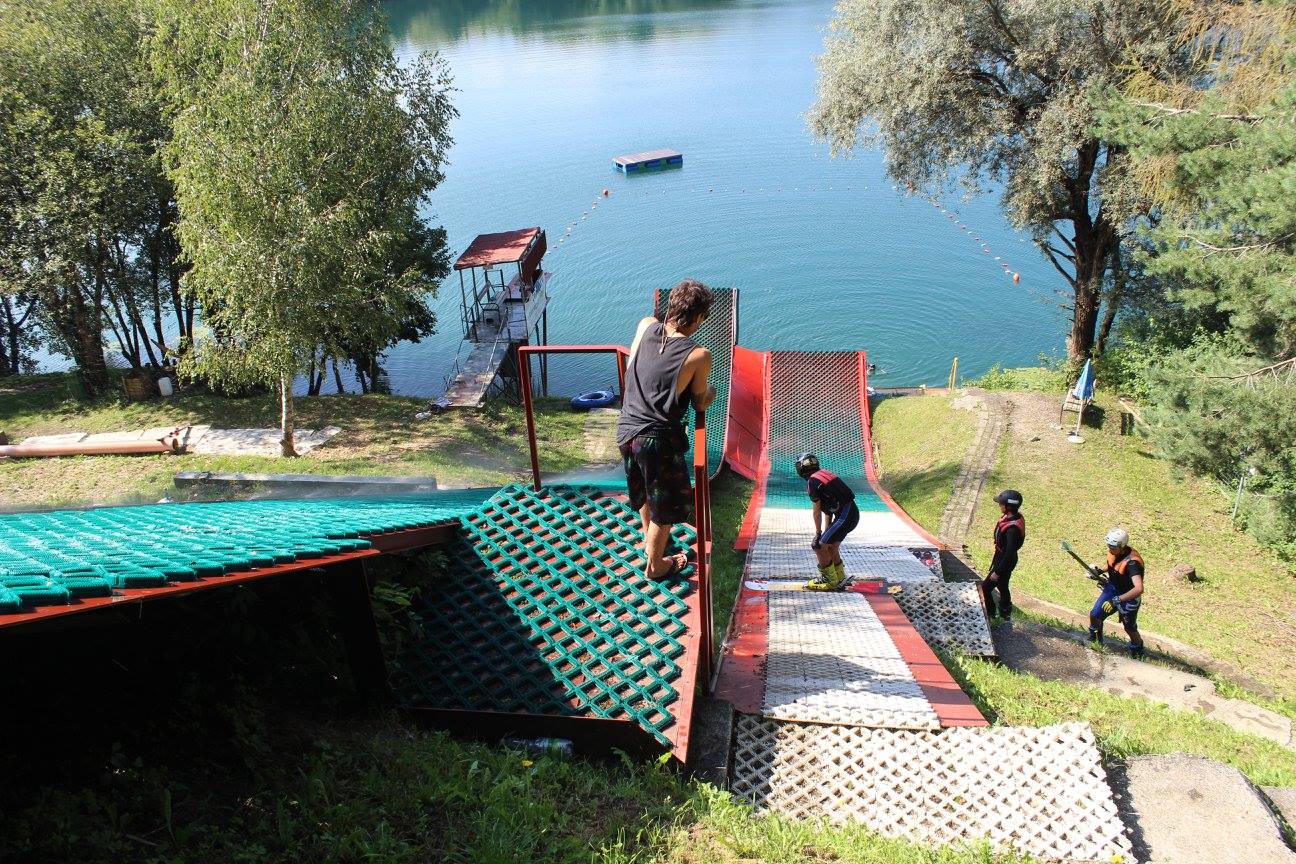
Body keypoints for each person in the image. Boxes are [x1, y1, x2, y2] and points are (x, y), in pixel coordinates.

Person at [616, 279, 716, 579]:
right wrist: (710, 392)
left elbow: (633, 366)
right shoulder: (698, 355)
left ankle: (649, 540)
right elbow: (700, 402)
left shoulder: (646, 325)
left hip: (626, 427)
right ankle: (656, 565)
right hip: (657, 439)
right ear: (698, 317)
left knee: (646, 492)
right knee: (666, 503)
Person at [794, 453, 860, 591]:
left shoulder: (812, 482)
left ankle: (829, 581)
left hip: (845, 515)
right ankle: (840, 577)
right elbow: (828, 511)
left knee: (819, 546)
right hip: (850, 513)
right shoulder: (823, 474)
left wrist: (818, 534)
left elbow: (816, 511)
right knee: (830, 545)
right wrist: (824, 533)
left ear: (801, 468)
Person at [1088, 527, 1146, 659]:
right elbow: (1112, 566)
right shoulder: (1115, 553)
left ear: (1122, 546)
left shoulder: (1132, 563)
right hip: (1112, 589)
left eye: (1113, 547)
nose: (1110, 549)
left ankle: (1137, 651)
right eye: (1108, 546)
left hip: (1129, 597)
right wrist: (1099, 571)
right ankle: (1095, 642)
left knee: (1129, 627)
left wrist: (1118, 600)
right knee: (1095, 615)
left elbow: (1138, 588)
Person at [981, 490, 1025, 620]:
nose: (999, 506)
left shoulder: (1012, 529)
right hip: (1002, 557)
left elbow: (1009, 552)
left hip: (1006, 561)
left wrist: (997, 571)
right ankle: (1005, 613)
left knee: (985, 587)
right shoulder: (1012, 517)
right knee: (1002, 585)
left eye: (1001, 504)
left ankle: (990, 614)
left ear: (1009, 507)